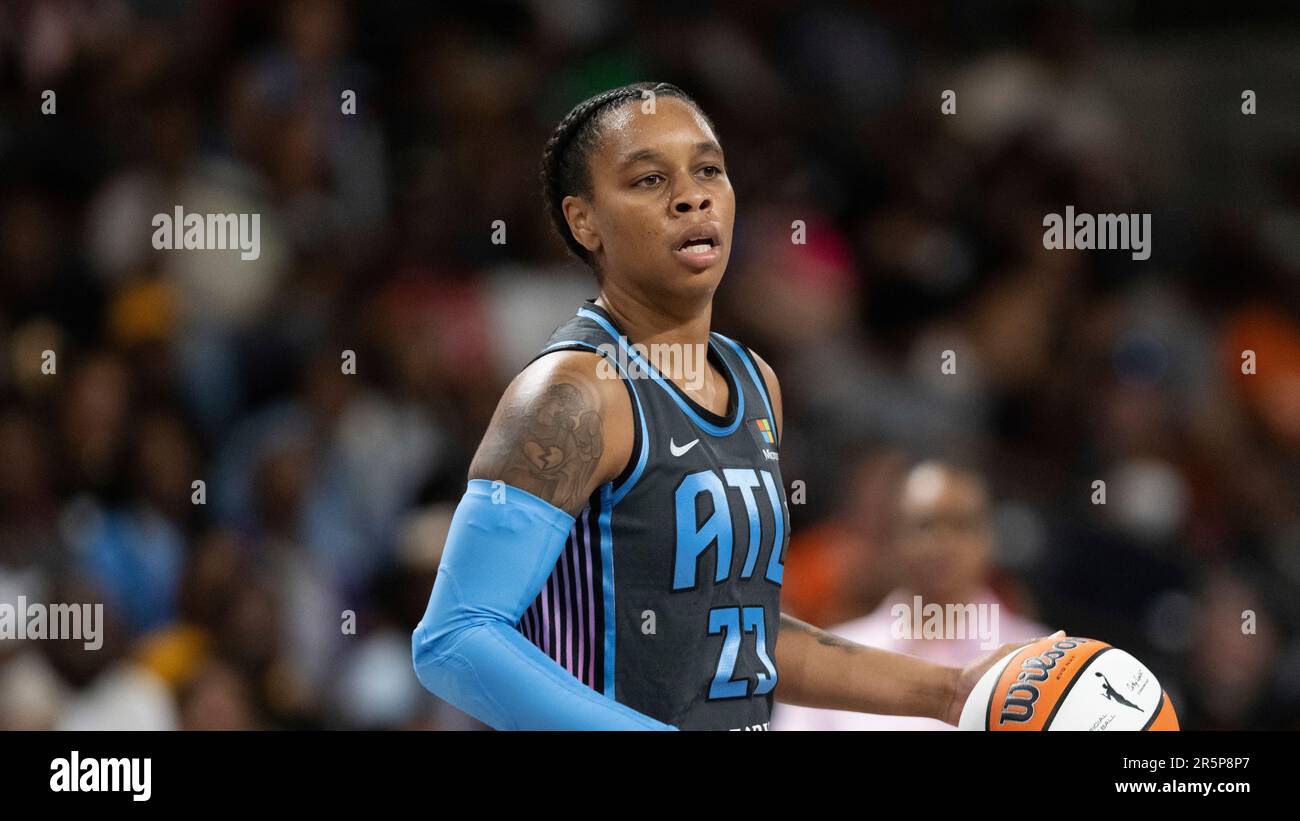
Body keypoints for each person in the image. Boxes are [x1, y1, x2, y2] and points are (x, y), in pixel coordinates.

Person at [411, 82, 1060, 730]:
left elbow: (741, 639)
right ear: (584, 220)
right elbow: (455, 636)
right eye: (647, 180)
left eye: (708, 170)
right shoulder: (573, 394)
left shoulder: (755, 382)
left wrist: (950, 691)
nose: (691, 195)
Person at [775, 460, 1049, 730]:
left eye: (960, 524)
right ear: (892, 538)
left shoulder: (1040, 659)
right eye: (924, 526)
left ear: (988, 538)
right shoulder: (827, 660)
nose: (942, 544)